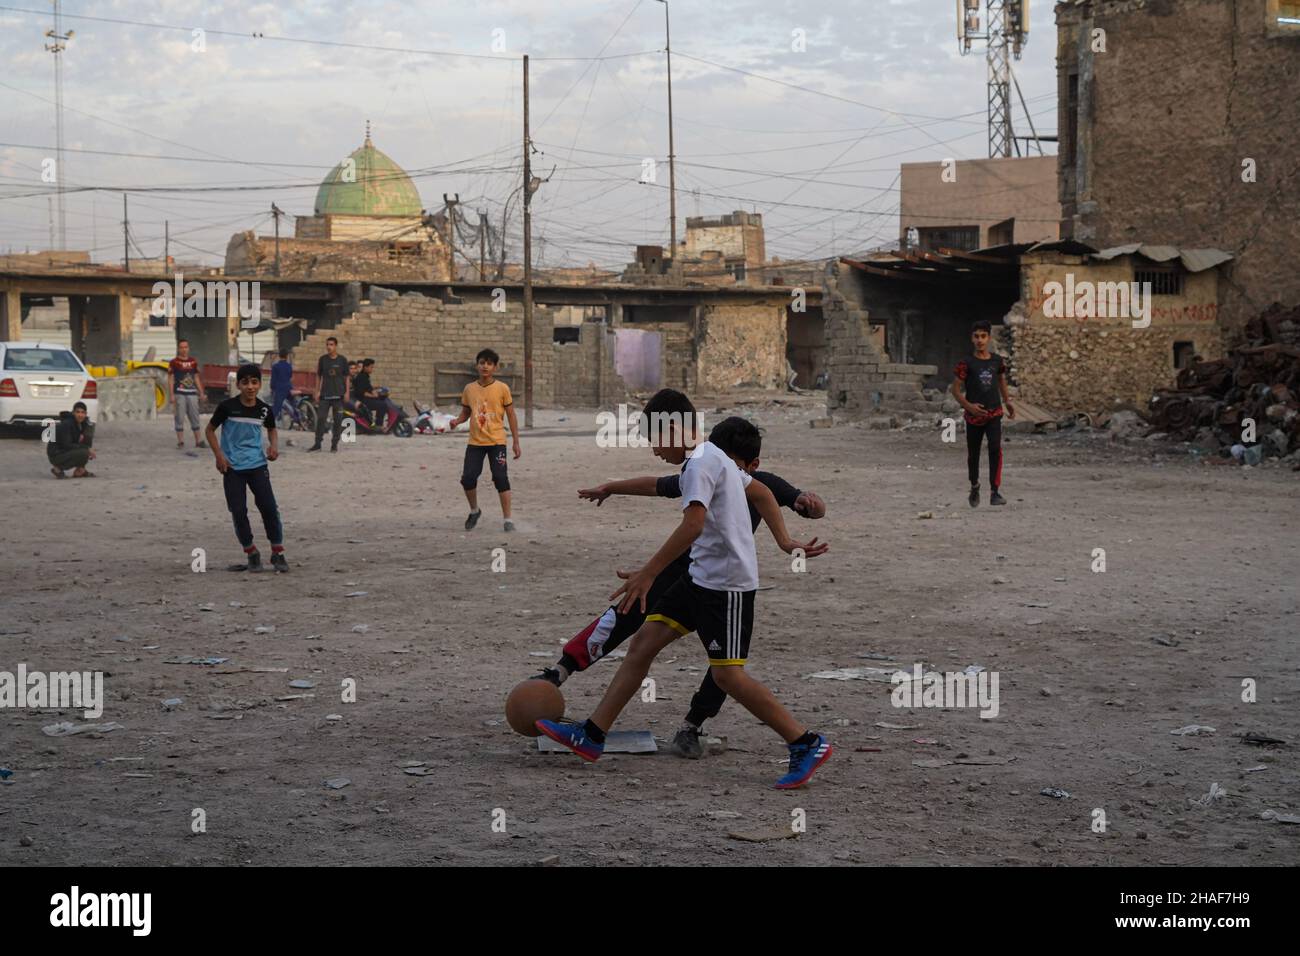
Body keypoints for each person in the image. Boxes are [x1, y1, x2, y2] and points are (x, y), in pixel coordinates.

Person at [536, 390, 832, 790]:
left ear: (673, 429)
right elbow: (759, 491)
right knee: (642, 644)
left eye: (655, 439)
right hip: (698, 578)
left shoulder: (702, 463)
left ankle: (805, 742)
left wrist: (648, 573)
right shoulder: (711, 456)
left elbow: (694, 524)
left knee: (729, 678)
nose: (654, 449)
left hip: (726, 586)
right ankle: (592, 734)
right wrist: (783, 540)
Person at [205, 364, 289, 573]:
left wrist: (273, 447)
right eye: (246, 383)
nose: (250, 387)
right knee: (238, 511)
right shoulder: (227, 407)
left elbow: (272, 429)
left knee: (269, 508)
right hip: (232, 468)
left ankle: (277, 552)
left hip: (258, 466)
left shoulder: (264, 409)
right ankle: (251, 552)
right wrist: (219, 456)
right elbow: (210, 430)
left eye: (254, 382)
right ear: (238, 384)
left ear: (260, 384)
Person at [447, 348, 520, 532]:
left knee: (501, 478)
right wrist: (457, 420)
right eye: (482, 363)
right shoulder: (469, 389)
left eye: (489, 363)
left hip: (497, 442)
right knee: (468, 478)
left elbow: (511, 415)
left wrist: (516, 442)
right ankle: (474, 510)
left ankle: (508, 520)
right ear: (477, 365)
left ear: (495, 367)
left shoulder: (502, 388)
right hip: (475, 443)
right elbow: (466, 412)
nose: (485, 366)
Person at [951, 320, 1016, 507]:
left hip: (994, 412)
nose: (980, 340)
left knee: (995, 449)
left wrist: (1008, 401)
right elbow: (955, 390)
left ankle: (995, 492)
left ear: (989, 338)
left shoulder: (997, 361)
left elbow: (1001, 379)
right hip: (974, 416)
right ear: (972, 339)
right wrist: (968, 406)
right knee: (974, 453)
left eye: (983, 336)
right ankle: (975, 485)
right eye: (976, 336)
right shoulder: (966, 363)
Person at [309, 337, 349, 453]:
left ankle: (334, 444)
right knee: (321, 419)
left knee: (338, 420)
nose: (328, 347)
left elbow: (346, 377)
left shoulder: (342, 360)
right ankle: (317, 444)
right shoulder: (323, 360)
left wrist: (347, 392)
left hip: (338, 396)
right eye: (327, 344)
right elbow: (318, 376)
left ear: (336, 346)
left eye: (331, 344)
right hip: (325, 395)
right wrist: (317, 391)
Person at [169, 338, 204, 449]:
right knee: (179, 417)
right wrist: (171, 395)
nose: (184, 349)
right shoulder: (174, 362)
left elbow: (196, 377)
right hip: (179, 393)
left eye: (186, 347)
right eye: (181, 347)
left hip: (192, 393)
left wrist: (201, 392)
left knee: (195, 416)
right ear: (178, 349)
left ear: (188, 348)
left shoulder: (193, 362)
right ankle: (180, 442)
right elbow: (170, 378)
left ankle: (198, 441)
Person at [47, 401, 96, 478]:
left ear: (86, 414)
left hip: (65, 451)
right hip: (56, 455)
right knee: (84, 452)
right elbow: (67, 445)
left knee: (87, 438)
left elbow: (87, 435)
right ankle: (58, 468)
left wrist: (87, 432)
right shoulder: (67, 424)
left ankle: (80, 470)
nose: (80, 415)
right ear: (73, 413)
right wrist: (87, 448)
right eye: (78, 412)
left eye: (83, 412)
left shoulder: (81, 423)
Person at [353, 358, 396, 432]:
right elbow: (362, 392)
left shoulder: (366, 376)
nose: (372, 369)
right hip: (362, 401)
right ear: (365, 367)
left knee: (383, 400)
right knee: (382, 405)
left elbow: (368, 388)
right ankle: (378, 425)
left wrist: (378, 389)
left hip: (366, 399)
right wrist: (373, 396)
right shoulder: (361, 377)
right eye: (371, 367)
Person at [270, 350, 294, 422]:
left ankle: (270, 422)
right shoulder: (289, 366)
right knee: (292, 403)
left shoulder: (275, 366)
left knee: (276, 406)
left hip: (280, 389)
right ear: (286, 356)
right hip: (289, 388)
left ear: (279, 356)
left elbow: (273, 379)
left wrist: (272, 387)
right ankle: (295, 417)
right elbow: (290, 376)